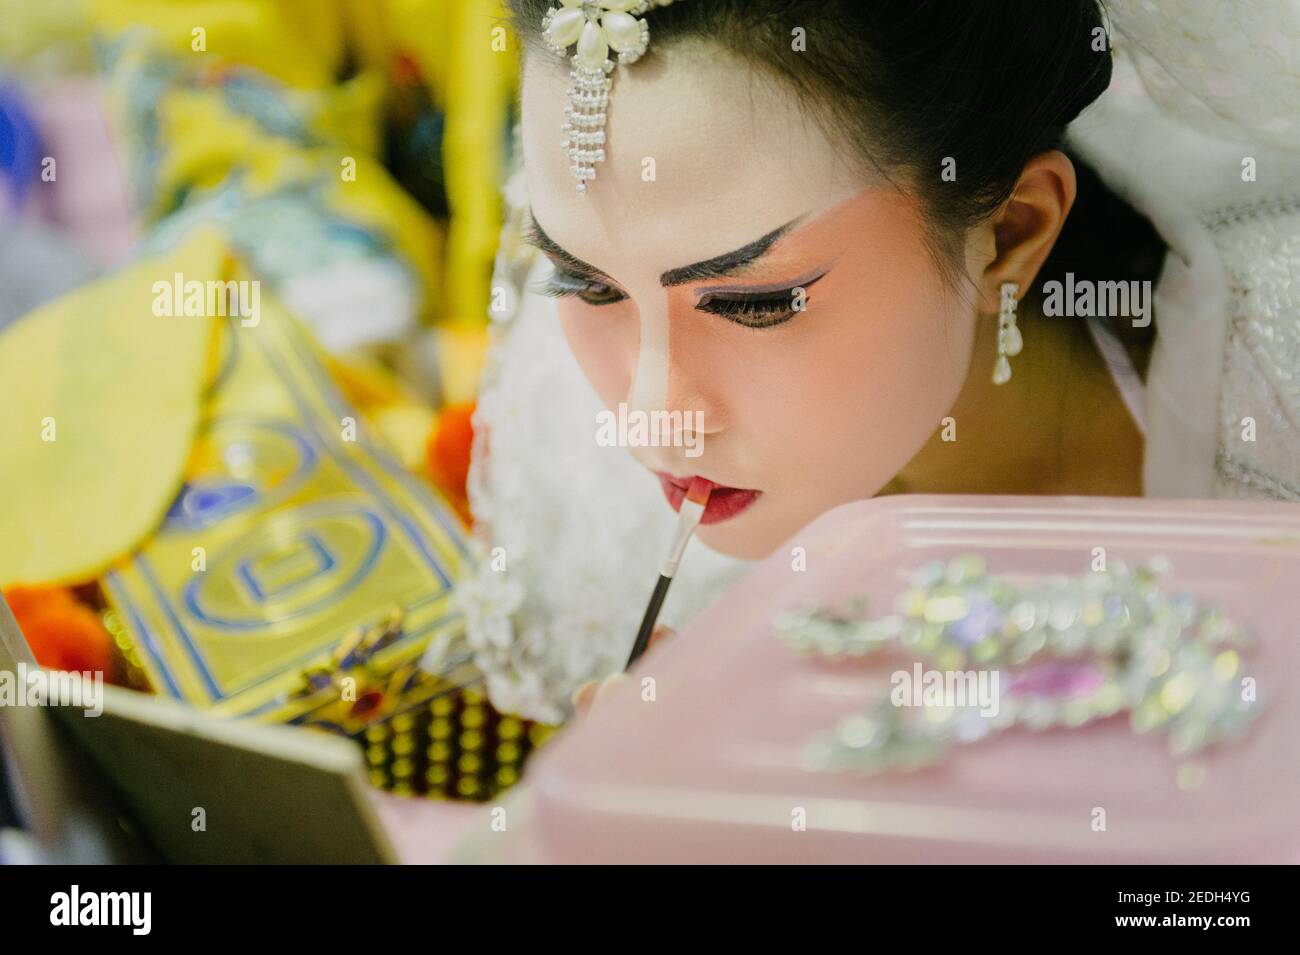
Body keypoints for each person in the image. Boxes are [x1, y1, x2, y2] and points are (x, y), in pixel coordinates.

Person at [447, 0, 1300, 722]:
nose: (643, 415)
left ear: (1009, 233)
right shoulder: (587, 493)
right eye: (585, 284)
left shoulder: (1276, 387)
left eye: (754, 303)